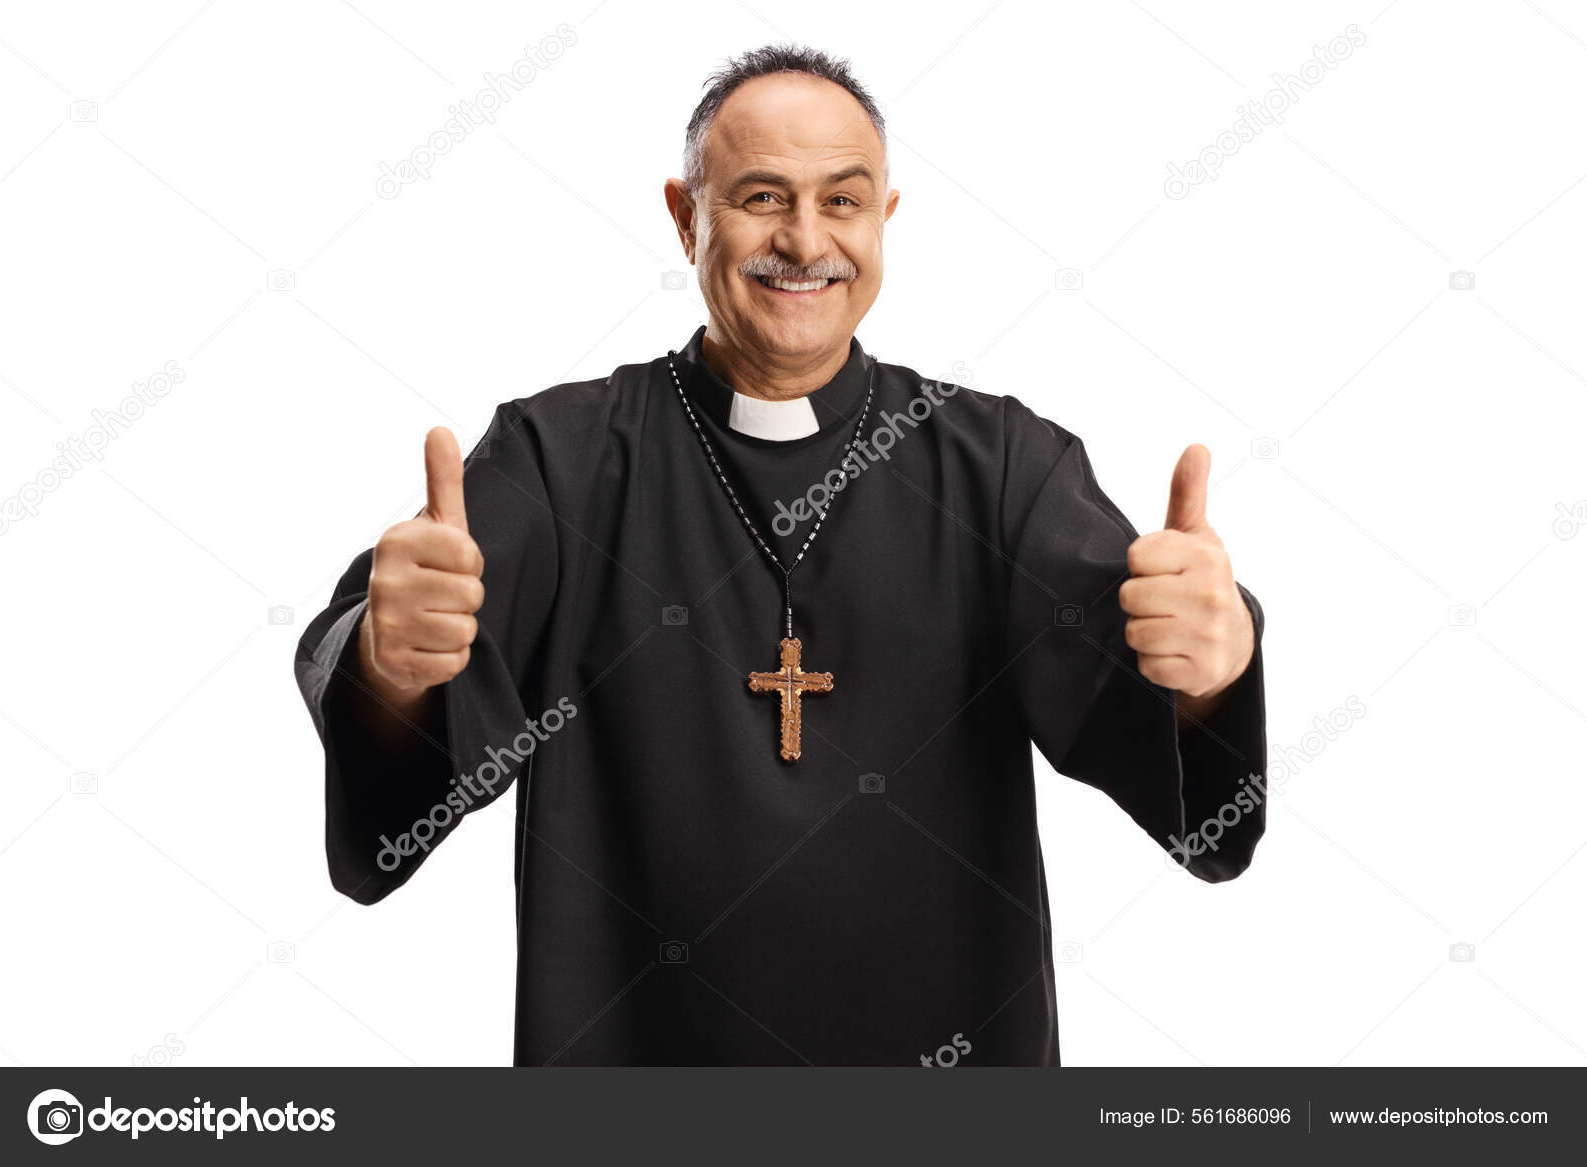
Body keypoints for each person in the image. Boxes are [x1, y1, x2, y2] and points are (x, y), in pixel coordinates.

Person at [294, 43, 1267, 1066]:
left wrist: (1210, 668)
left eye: (842, 203)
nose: (805, 242)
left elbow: (1169, 755)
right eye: (762, 198)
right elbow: (397, 701)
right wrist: (388, 665)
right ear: (686, 216)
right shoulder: (557, 463)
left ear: (883, 219)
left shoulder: (1003, 470)